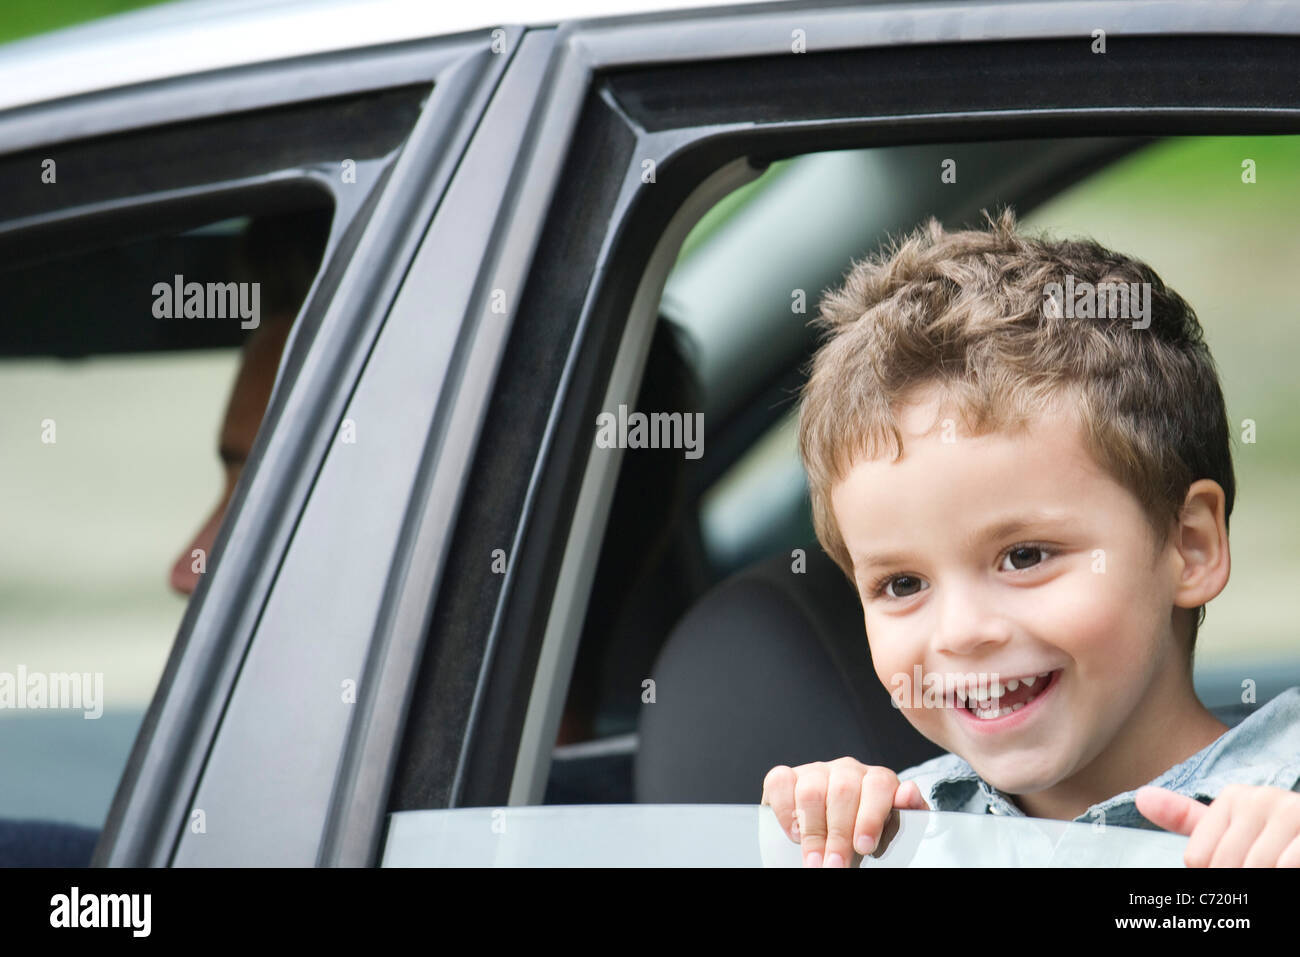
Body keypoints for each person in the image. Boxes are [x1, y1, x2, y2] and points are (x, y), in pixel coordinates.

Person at [761, 209, 1300, 867]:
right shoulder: (903, 835)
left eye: (1024, 556)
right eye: (902, 583)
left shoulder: (1283, 816)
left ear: (1189, 546)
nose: (961, 631)